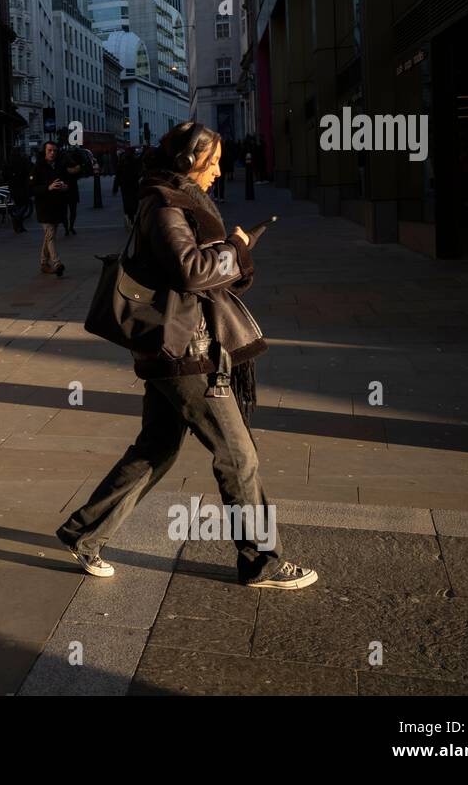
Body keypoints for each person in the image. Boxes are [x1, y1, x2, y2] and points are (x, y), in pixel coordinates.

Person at [57, 122, 317, 590]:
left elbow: (202, 269)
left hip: (176, 347)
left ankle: (85, 532)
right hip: (186, 351)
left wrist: (236, 253)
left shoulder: (175, 198)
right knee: (238, 455)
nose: (218, 170)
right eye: (211, 161)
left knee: (157, 447)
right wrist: (236, 247)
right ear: (185, 162)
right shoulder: (164, 205)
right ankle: (262, 561)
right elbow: (192, 270)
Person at [30, 141, 67, 277]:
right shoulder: (38, 167)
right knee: (50, 233)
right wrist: (48, 187)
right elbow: (32, 188)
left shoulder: (59, 166)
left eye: (55, 151)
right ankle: (57, 263)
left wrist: (64, 187)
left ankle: (44, 263)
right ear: (44, 151)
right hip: (44, 206)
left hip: (56, 206)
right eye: (50, 150)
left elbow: (64, 180)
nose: (52, 153)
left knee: (49, 235)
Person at [60, 146, 86, 235]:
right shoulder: (75, 165)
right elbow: (80, 172)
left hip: (63, 190)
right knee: (72, 211)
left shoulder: (60, 167)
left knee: (64, 211)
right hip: (72, 189)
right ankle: (70, 227)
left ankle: (67, 228)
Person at [113, 146, 142, 227]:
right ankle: (132, 219)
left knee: (127, 202)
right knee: (134, 202)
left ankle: (128, 218)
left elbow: (118, 175)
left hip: (124, 185)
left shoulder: (122, 161)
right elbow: (140, 172)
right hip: (133, 184)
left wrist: (115, 188)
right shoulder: (136, 160)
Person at [3, 151, 32, 233]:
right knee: (24, 205)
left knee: (18, 205)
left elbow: (5, 175)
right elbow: (27, 173)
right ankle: (17, 219)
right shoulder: (22, 162)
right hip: (22, 187)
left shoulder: (8, 164)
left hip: (13, 188)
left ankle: (19, 224)